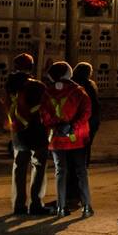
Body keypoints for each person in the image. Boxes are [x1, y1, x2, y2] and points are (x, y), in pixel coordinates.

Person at [40, 61, 93, 218]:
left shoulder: (47, 92)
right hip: (77, 138)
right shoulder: (78, 91)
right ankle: (86, 206)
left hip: (57, 138)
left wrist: (57, 127)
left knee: (60, 172)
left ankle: (61, 207)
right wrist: (72, 127)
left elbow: (44, 115)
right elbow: (86, 112)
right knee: (81, 172)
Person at [5, 53, 50, 216]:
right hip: (36, 129)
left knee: (19, 167)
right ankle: (36, 203)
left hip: (18, 130)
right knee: (38, 166)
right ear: (31, 66)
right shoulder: (37, 86)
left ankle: (18, 204)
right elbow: (46, 108)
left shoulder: (9, 85)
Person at [72, 62, 101, 165]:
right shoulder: (91, 84)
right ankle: (84, 165)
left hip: (82, 120)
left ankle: (78, 165)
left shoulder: (75, 84)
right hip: (93, 119)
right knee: (86, 145)